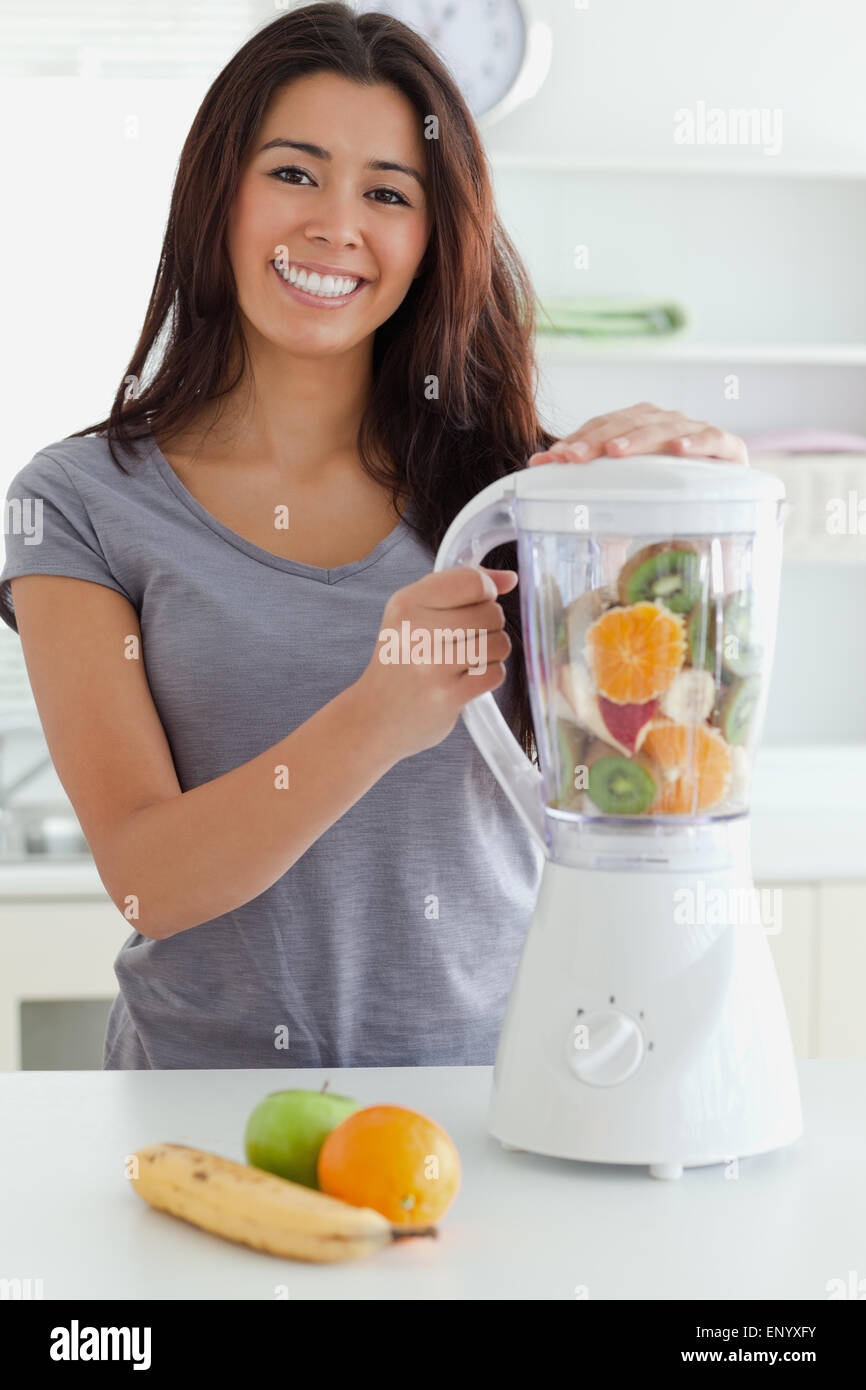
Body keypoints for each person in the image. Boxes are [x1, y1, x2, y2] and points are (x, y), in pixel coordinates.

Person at [0, 3, 746, 1069]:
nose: (334, 225)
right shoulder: (81, 502)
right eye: (294, 174)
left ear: (433, 236)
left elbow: (661, 775)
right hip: (206, 1121)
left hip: (502, 1106)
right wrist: (377, 714)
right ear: (219, 192)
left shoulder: (525, 498)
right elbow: (143, 880)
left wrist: (688, 518)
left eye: (386, 193)